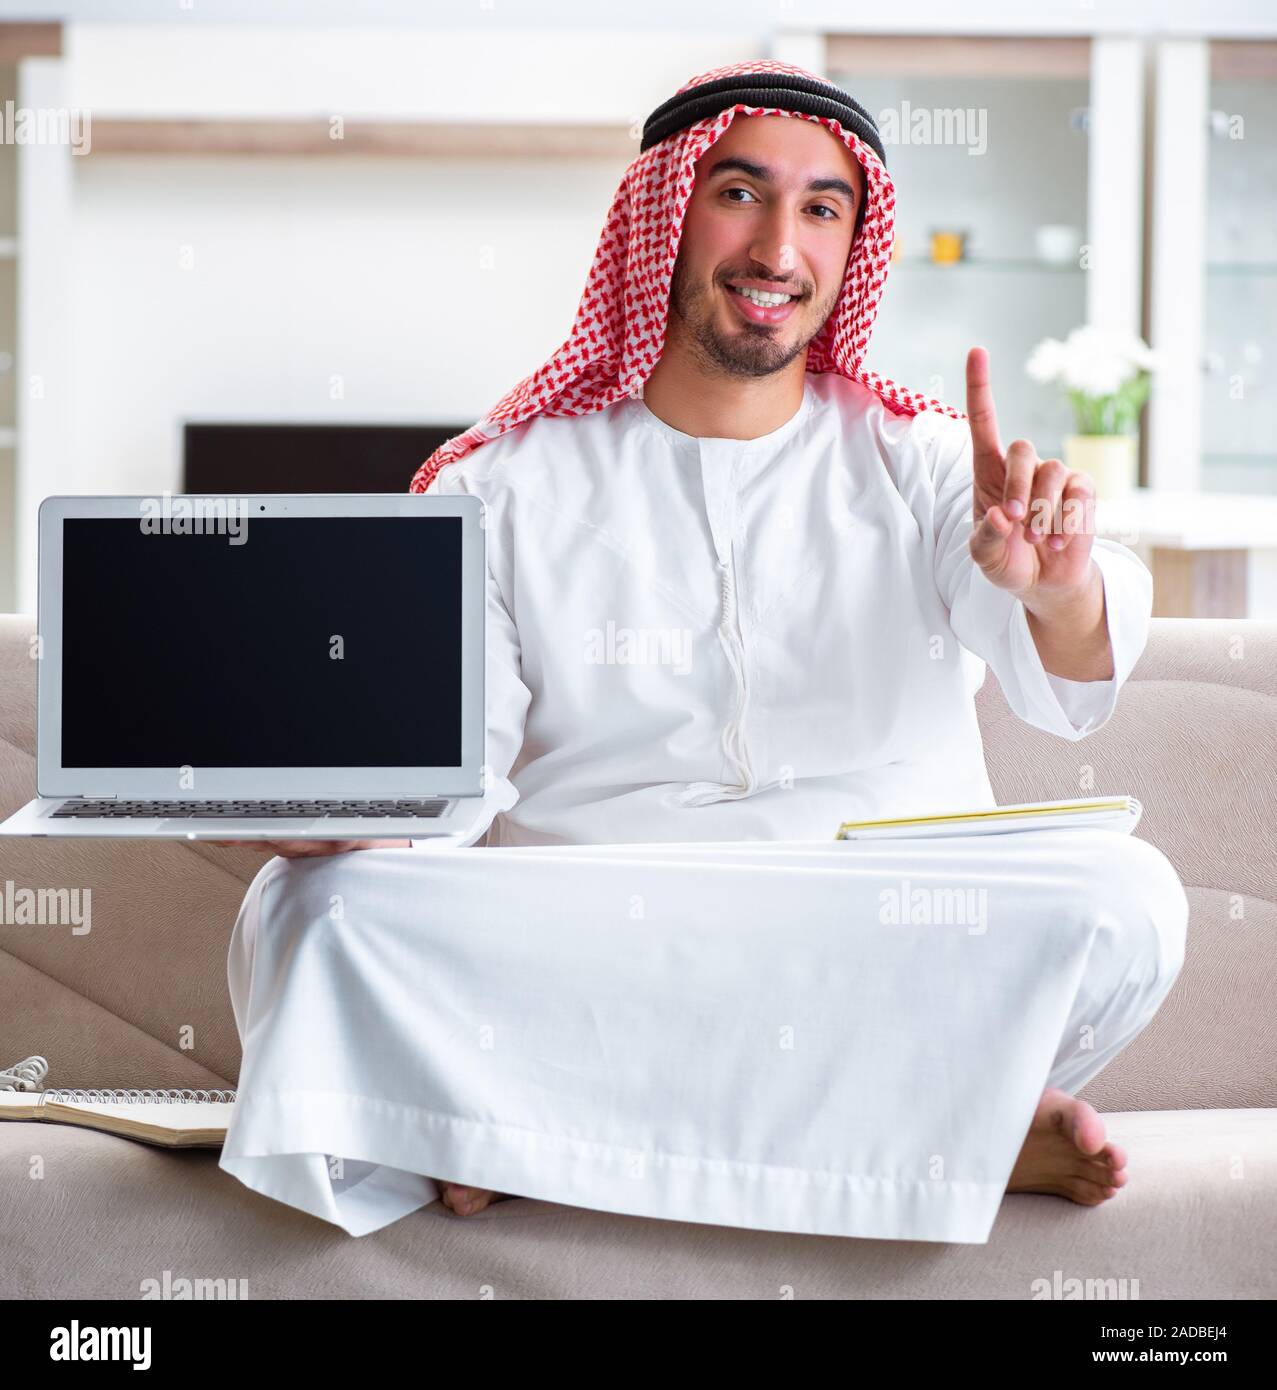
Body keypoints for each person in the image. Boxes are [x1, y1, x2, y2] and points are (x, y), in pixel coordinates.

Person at [214, 60, 1186, 1243]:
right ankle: (936, 1127)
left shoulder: (921, 461)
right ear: (664, 213)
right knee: (314, 908)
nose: (779, 245)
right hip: (598, 930)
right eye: (741, 193)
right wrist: (356, 807)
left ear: (853, 240)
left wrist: (1063, 585)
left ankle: (546, 1135)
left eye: (823, 207)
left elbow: (1071, 673)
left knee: (1124, 896)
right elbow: (448, 773)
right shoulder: (502, 486)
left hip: (865, 922)